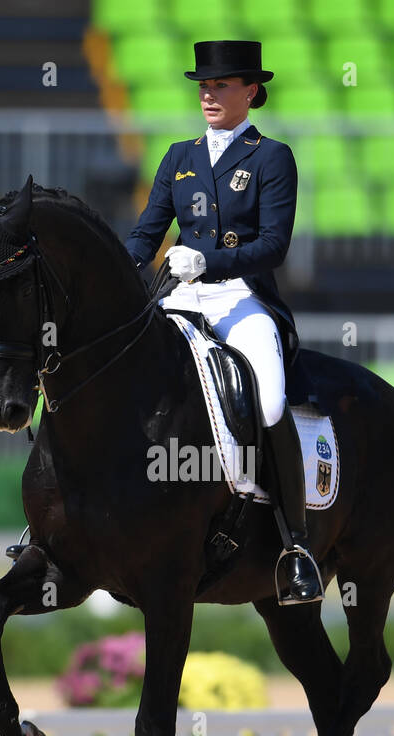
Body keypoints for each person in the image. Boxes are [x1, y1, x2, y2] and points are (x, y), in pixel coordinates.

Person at [124, 39, 323, 605]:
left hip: (241, 296)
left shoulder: (271, 157)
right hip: (181, 296)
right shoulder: (178, 156)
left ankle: (296, 545)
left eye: (222, 86)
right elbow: (145, 234)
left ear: (251, 92)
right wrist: (122, 270)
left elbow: (273, 246)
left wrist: (210, 260)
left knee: (268, 403)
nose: (209, 95)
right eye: (204, 86)